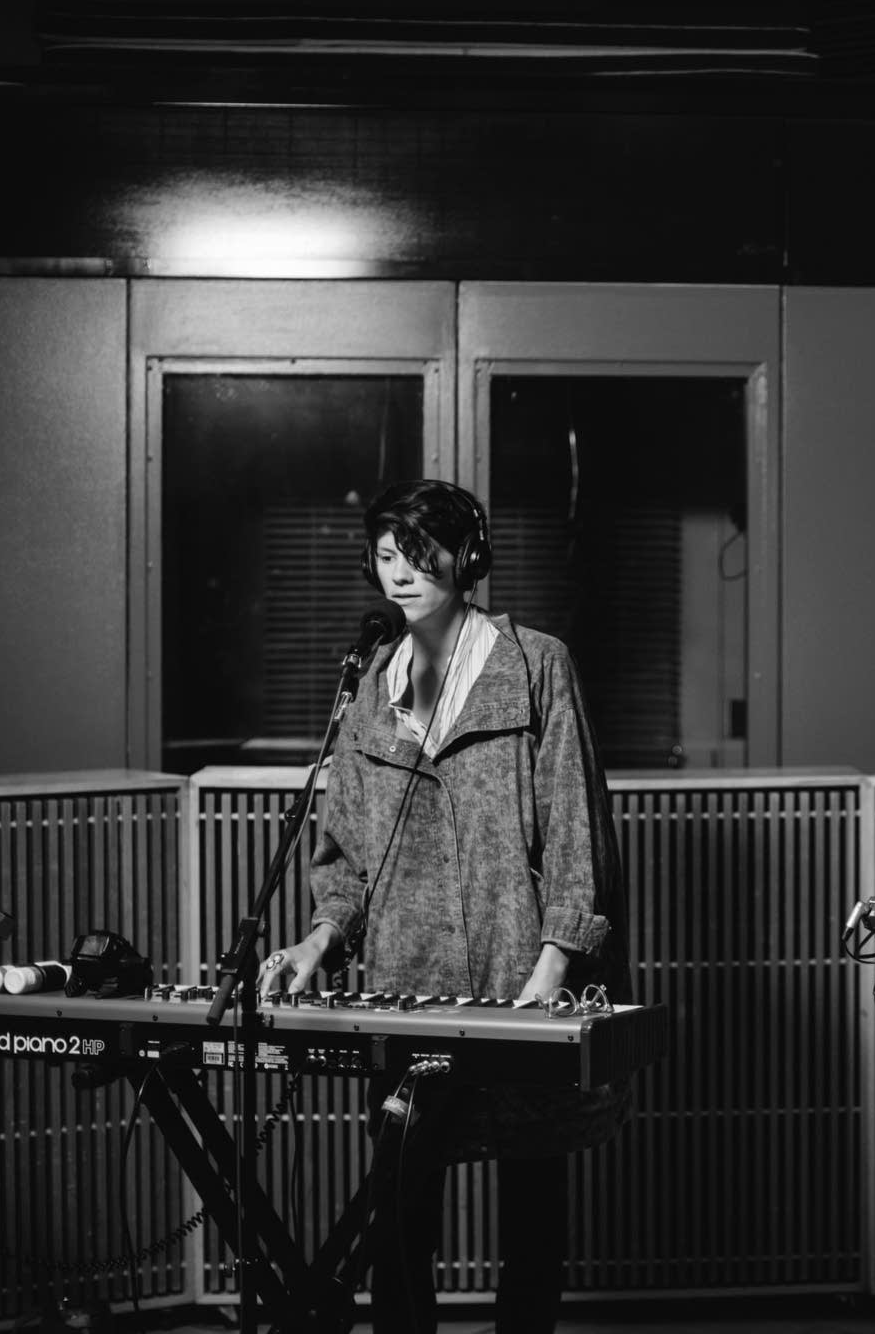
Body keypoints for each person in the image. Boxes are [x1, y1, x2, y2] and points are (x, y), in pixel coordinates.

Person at [259, 478, 628, 1334]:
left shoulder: (535, 662)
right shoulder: (365, 684)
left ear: (468, 558)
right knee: (403, 1205)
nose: (400, 573)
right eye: (387, 554)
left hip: (522, 974)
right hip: (408, 982)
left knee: (532, 1206)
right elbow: (343, 847)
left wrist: (556, 962)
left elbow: (577, 824)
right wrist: (320, 938)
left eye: (420, 554)